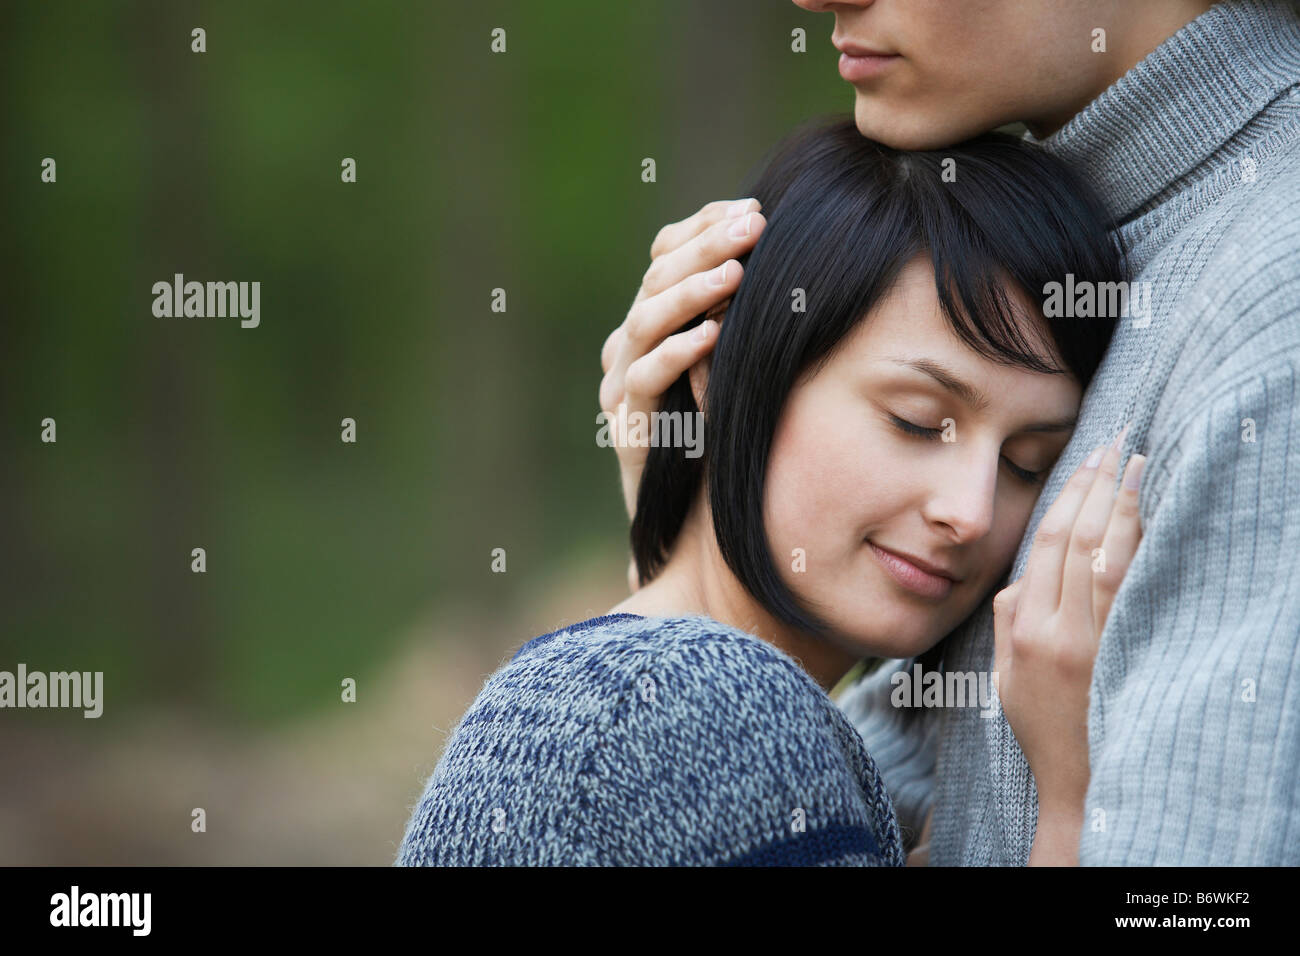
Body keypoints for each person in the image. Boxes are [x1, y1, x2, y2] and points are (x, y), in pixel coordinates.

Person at [600, 0, 1300, 864]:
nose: (815, 0)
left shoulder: (1271, 308)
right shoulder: (1083, 239)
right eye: (914, 421)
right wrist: (689, 546)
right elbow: (823, 791)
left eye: (1030, 465)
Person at [396, 120, 1142, 865]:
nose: (971, 513)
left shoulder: (622, 691)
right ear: (722, 370)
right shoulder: (714, 708)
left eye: (1027, 464)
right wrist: (1070, 801)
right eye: (916, 422)